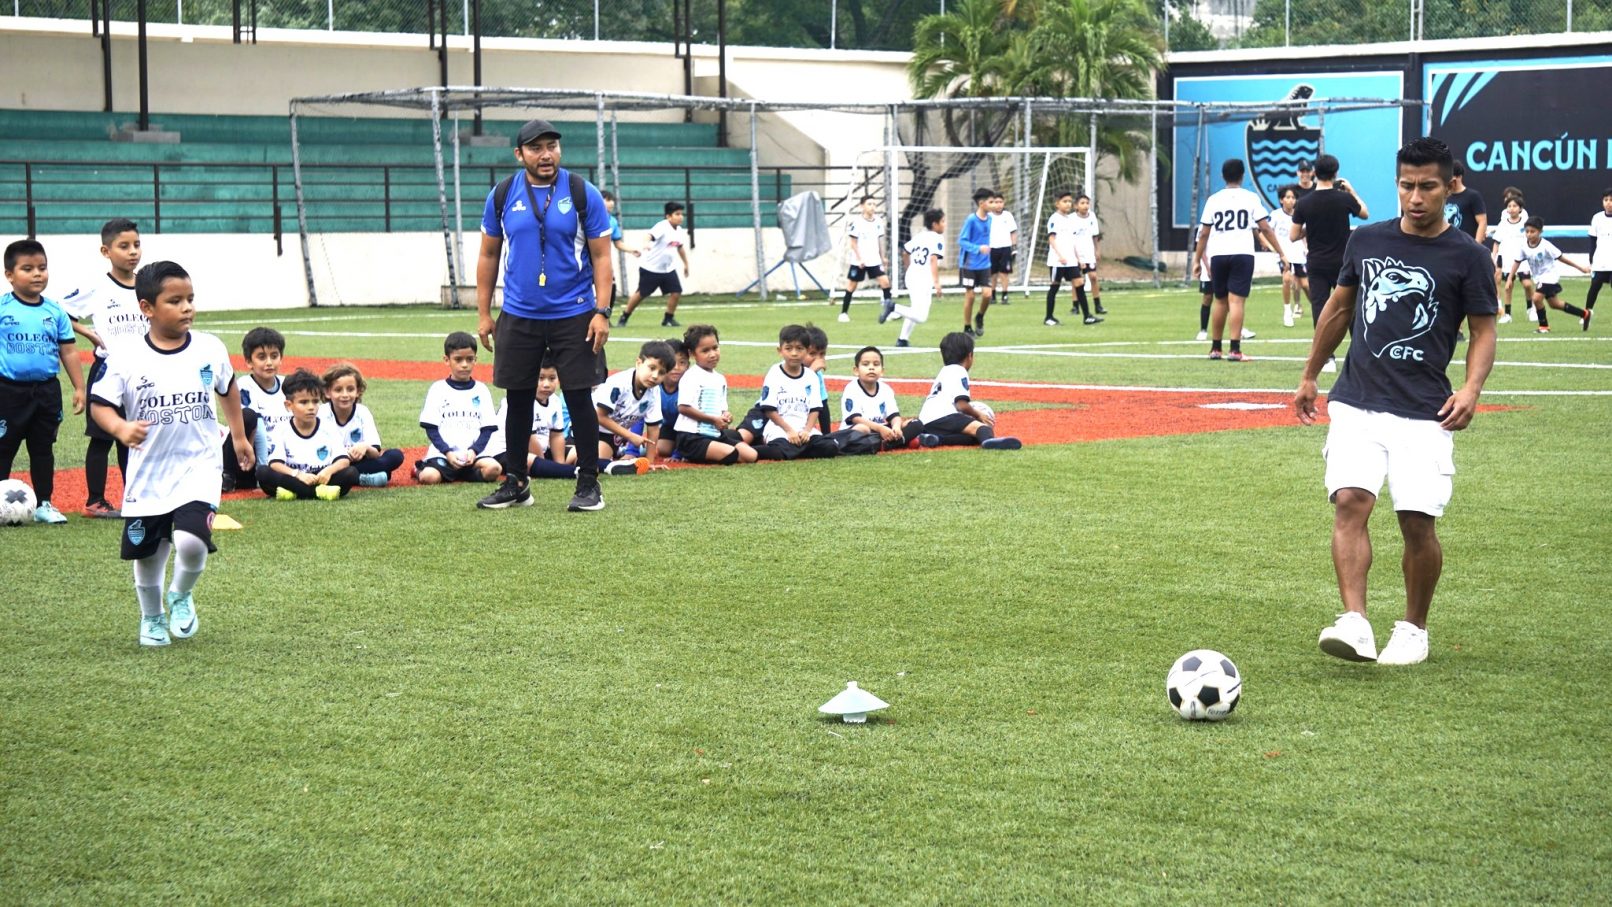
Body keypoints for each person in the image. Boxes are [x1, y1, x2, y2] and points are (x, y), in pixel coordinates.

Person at [1295, 136, 1498, 667]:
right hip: (1357, 401)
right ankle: (1355, 622)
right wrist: (1311, 375)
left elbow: (1482, 331)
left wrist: (1471, 389)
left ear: (1450, 185)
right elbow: (1339, 310)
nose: (1415, 197)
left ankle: (1413, 628)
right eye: (1406, 185)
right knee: (1350, 502)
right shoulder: (1365, 240)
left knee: (1416, 522)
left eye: (1427, 186)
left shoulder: (1469, 256)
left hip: (1424, 410)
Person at [89, 260, 254, 646]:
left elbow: (227, 387)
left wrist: (240, 437)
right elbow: (100, 403)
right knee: (148, 556)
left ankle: (180, 594)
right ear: (146, 308)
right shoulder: (126, 356)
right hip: (148, 471)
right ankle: (152, 617)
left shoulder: (210, 348)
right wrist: (119, 427)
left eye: (191, 299)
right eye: (175, 300)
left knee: (192, 541)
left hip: (200, 464)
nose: (187, 308)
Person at [475, 118, 613, 513]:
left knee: (578, 397)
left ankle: (589, 483)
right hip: (518, 314)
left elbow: (602, 256)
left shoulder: (580, 192)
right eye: (536, 148)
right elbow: (488, 254)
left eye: (552, 145)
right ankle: (516, 481)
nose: (546, 154)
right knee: (517, 398)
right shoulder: (502, 195)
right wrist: (485, 314)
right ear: (520, 154)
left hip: (575, 313)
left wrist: (601, 311)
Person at [59, 218, 145, 518]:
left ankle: (133, 497)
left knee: (133, 437)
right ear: (106, 251)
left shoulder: (148, 285)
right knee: (102, 437)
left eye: (136, 245)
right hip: (109, 371)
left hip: (144, 374)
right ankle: (96, 501)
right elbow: (58, 312)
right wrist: (88, 333)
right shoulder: (96, 287)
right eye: (124, 246)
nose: (132, 251)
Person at [0, 239, 85, 524]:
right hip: (8, 392)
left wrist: (79, 387)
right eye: (28, 268)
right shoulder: (2, 308)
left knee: (42, 449)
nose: (38, 274)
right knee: (4, 447)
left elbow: (69, 351)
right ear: (9, 275)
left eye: (42, 268)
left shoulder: (55, 311)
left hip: (46, 392)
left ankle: (45, 503)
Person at [1193, 158, 1284, 361]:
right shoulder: (1250, 198)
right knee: (1236, 301)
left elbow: (1204, 233)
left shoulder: (1213, 200)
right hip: (1242, 253)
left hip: (1218, 254)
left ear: (1222, 176)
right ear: (1243, 175)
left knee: (1220, 301)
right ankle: (1235, 349)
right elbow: (1265, 228)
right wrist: (1280, 252)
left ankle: (1216, 348)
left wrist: (1196, 260)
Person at [1292, 153, 1369, 369]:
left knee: (1320, 307)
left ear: (1315, 173)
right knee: (1351, 306)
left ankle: (1327, 357)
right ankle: (1360, 355)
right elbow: (1364, 213)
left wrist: (1312, 226)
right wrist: (1351, 191)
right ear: (1336, 174)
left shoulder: (1304, 203)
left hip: (1316, 262)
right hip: (1343, 262)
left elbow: (1293, 235)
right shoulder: (1343, 198)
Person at [901, 331, 1021, 450]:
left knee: (972, 438)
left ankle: (934, 439)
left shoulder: (944, 371)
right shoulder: (960, 371)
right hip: (946, 416)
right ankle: (989, 441)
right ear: (969, 356)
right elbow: (961, 405)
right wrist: (978, 414)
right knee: (983, 429)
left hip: (926, 421)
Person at [255, 368, 360, 501]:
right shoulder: (281, 429)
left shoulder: (328, 426)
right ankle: (317, 492)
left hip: (321, 477)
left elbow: (344, 460)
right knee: (263, 473)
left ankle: (294, 492)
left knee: (351, 474)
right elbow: (275, 464)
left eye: (315, 401)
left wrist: (328, 471)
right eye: (304, 402)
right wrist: (298, 475)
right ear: (289, 405)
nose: (311, 407)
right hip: (295, 476)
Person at [418, 331, 503, 486]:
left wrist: (474, 451)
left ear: (475, 360)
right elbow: (431, 428)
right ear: (446, 360)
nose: (464, 364)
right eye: (458, 359)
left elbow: (487, 429)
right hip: (444, 454)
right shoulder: (438, 389)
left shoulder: (481, 390)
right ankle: (419, 469)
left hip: (474, 455)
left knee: (494, 469)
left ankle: (463, 473)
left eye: (469, 359)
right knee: (429, 478)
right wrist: (447, 453)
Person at [748, 324, 839, 461]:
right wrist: (789, 431)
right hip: (780, 428)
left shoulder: (811, 376)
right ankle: (750, 450)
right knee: (780, 451)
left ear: (806, 350)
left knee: (830, 446)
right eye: (789, 349)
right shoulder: (774, 373)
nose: (794, 353)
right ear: (780, 351)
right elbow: (769, 410)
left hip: (804, 429)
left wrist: (807, 430)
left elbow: (815, 408)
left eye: (799, 349)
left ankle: (797, 449)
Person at [673, 323, 757, 465]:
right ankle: (691, 454)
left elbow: (721, 409)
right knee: (732, 454)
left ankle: (715, 451)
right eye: (705, 351)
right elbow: (683, 408)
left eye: (715, 348)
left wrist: (726, 415)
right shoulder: (691, 376)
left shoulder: (720, 379)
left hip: (715, 434)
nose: (712, 354)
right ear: (692, 354)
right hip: (692, 437)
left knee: (751, 455)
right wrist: (713, 420)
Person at [593, 340, 674, 471]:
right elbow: (599, 416)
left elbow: (653, 429)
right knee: (592, 461)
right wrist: (630, 436)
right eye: (652, 368)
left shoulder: (654, 391)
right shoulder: (619, 383)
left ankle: (617, 460)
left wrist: (649, 463)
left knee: (597, 460)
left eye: (661, 373)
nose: (655, 376)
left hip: (612, 436)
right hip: (588, 429)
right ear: (639, 363)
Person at [489, 360, 576, 481]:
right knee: (528, 460)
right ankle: (575, 472)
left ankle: (609, 466)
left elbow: (556, 435)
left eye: (552, 378)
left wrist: (558, 464)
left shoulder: (555, 401)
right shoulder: (522, 400)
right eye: (540, 378)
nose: (546, 384)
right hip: (506, 452)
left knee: (577, 451)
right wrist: (547, 466)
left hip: (542, 451)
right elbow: (530, 439)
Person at [320, 362, 404, 487]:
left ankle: (353, 476)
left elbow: (375, 453)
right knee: (326, 469)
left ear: (358, 391)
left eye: (350, 389)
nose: (345, 395)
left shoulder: (363, 412)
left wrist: (365, 447)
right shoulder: (321, 413)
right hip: (331, 464)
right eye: (338, 390)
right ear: (327, 392)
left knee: (395, 456)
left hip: (358, 463)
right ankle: (361, 478)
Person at [1508, 216, 1592, 333]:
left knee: (1536, 299)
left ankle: (1544, 326)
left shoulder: (1546, 245)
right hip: (1539, 278)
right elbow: (1517, 262)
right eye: (1527, 231)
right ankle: (1584, 314)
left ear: (1540, 232)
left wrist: (1581, 268)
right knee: (1555, 304)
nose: (1529, 234)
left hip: (1549, 277)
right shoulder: (1524, 246)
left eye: (1533, 231)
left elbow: (1562, 258)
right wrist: (1509, 279)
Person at [230, 326, 287, 492]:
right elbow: (257, 430)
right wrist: (262, 468)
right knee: (249, 416)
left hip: (282, 456)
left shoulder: (288, 385)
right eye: (262, 357)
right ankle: (231, 476)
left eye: (274, 356)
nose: (269, 362)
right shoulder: (243, 387)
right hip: (250, 458)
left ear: (281, 358)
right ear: (249, 362)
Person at [617, 202, 689, 329]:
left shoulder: (679, 230)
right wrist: (646, 243)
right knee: (641, 294)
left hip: (668, 269)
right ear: (668, 216)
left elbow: (680, 248)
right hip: (651, 268)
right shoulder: (662, 226)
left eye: (681, 214)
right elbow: (648, 235)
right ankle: (625, 316)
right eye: (677, 214)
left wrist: (686, 264)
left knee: (676, 292)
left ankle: (668, 319)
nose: (680, 217)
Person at [891, 208, 945, 348]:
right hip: (922, 279)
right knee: (921, 316)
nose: (945, 224)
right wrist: (937, 282)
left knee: (916, 309)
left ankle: (903, 339)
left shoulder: (920, 235)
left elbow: (905, 252)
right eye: (943, 221)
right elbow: (933, 259)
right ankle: (892, 307)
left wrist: (909, 268)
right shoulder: (938, 238)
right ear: (935, 224)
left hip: (913, 275)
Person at [835, 345, 905, 452]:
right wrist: (880, 429)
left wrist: (896, 427)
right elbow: (856, 419)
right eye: (865, 364)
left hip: (880, 430)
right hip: (858, 430)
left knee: (913, 423)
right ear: (856, 370)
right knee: (863, 429)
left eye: (876, 364)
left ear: (882, 371)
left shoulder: (886, 389)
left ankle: (884, 442)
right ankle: (892, 443)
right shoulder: (851, 388)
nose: (871, 368)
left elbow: (894, 415)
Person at [840, 196, 891, 323]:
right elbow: (853, 243)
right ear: (862, 206)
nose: (872, 206)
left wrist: (882, 256)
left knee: (885, 282)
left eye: (874, 204)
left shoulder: (878, 221)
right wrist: (860, 258)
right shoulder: (857, 223)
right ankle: (843, 313)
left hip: (874, 259)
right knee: (852, 285)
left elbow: (879, 241)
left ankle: (888, 311)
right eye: (869, 204)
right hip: (859, 261)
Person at [1264, 185, 1308, 328]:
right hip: (1284, 256)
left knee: (1305, 285)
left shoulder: (1299, 215)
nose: (1290, 200)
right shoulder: (1276, 215)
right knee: (1288, 279)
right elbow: (1263, 232)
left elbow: (1303, 234)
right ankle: (1287, 311)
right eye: (1287, 197)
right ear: (1281, 200)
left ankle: (1318, 310)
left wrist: (1306, 248)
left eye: (1293, 198)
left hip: (1299, 254)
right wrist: (1272, 248)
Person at [957, 188, 994, 337]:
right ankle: (967, 327)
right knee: (970, 296)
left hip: (985, 264)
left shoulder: (990, 219)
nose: (993, 205)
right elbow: (962, 241)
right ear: (981, 203)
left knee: (987, 294)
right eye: (990, 202)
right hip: (969, 264)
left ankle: (979, 316)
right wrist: (978, 248)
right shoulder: (971, 220)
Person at [1488, 193, 1530, 324]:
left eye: (1514, 206)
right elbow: (1496, 241)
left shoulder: (1525, 223)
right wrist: (1493, 257)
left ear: (1520, 208)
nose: (1512, 208)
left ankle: (1531, 308)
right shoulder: (1503, 224)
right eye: (1509, 206)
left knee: (1527, 284)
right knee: (1508, 287)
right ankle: (1507, 314)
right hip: (1508, 260)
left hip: (1523, 260)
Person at [1071, 193, 1107, 318]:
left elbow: (1095, 235)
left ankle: (1098, 305)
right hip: (1075, 253)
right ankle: (1075, 306)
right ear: (1076, 206)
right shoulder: (1071, 219)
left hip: (1088, 252)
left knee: (1093, 276)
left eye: (1087, 203)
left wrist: (1097, 250)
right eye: (1082, 203)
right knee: (1077, 280)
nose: (1085, 206)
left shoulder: (1092, 217)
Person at [1445, 160, 1488, 246]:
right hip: (1447, 245)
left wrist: (1476, 246)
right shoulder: (1444, 196)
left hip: (1467, 246)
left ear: (1459, 177)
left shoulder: (1473, 196)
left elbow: (1482, 221)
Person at [987, 190, 1018, 305]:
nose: (998, 204)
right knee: (992, 273)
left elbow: (1013, 232)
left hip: (1005, 248)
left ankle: (1005, 296)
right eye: (995, 202)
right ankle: (992, 295)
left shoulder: (1008, 216)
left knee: (1004, 273)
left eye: (1000, 202)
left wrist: (1014, 247)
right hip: (992, 248)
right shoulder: (988, 217)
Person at [1585, 188, 1612, 316]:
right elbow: (1592, 240)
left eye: (1611, 200)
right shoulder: (1597, 218)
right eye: (1606, 200)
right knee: (1594, 287)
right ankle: (1587, 312)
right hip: (1601, 261)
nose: (1609, 203)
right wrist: (1591, 260)